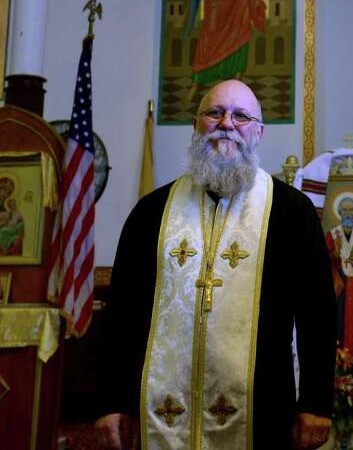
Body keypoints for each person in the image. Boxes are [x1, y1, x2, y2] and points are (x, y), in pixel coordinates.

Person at [95, 80, 334, 450]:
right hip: (161, 417)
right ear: (196, 125)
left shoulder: (291, 212)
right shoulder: (151, 213)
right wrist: (112, 401)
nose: (227, 123)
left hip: (262, 415)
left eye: (241, 115)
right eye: (214, 112)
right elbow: (123, 314)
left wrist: (317, 402)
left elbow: (316, 313)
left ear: (258, 132)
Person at [324, 194, 353, 353]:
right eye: (344, 210)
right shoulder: (332, 235)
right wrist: (333, 256)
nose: (348, 213)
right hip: (340, 288)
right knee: (339, 323)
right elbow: (321, 263)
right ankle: (341, 360)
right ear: (339, 212)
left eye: (351, 209)